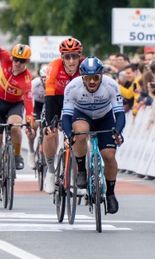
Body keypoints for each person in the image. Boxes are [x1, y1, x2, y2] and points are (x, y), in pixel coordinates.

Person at [61, 57, 125, 215]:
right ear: (82, 77)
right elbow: (66, 117)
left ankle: (110, 193)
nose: (91, 82)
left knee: (109, 156)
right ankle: (82, 170)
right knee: (80, 133)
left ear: (101, 76)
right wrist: (69, 134)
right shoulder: (72, 87)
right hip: (82, 115)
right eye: (87, 78)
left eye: (95, 78)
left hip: (105, 117)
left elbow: (120, 113)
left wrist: (117, 131)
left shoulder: (110, 85)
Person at [0, 22, 35, 202]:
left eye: (23, 61)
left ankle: (17, 154)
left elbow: (28, 100)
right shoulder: (5, 58)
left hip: (14, 105)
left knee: (15, 126)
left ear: (27, 63)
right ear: (12, 57)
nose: (18, 64)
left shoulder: (27, 79)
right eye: (16, 59)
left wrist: (29, 117)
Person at [42, 37, 84, 188]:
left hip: (77, 101)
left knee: (80, 133)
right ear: (62, 57)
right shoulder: (54, 67)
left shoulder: (84, 67)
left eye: (75, 56)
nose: (72, 61)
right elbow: (49, 95)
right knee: (50, 133)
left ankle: (80, 171)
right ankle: (51, 171)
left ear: (80, 56)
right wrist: (49, 123)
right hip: (56, 99)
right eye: (67, 57)